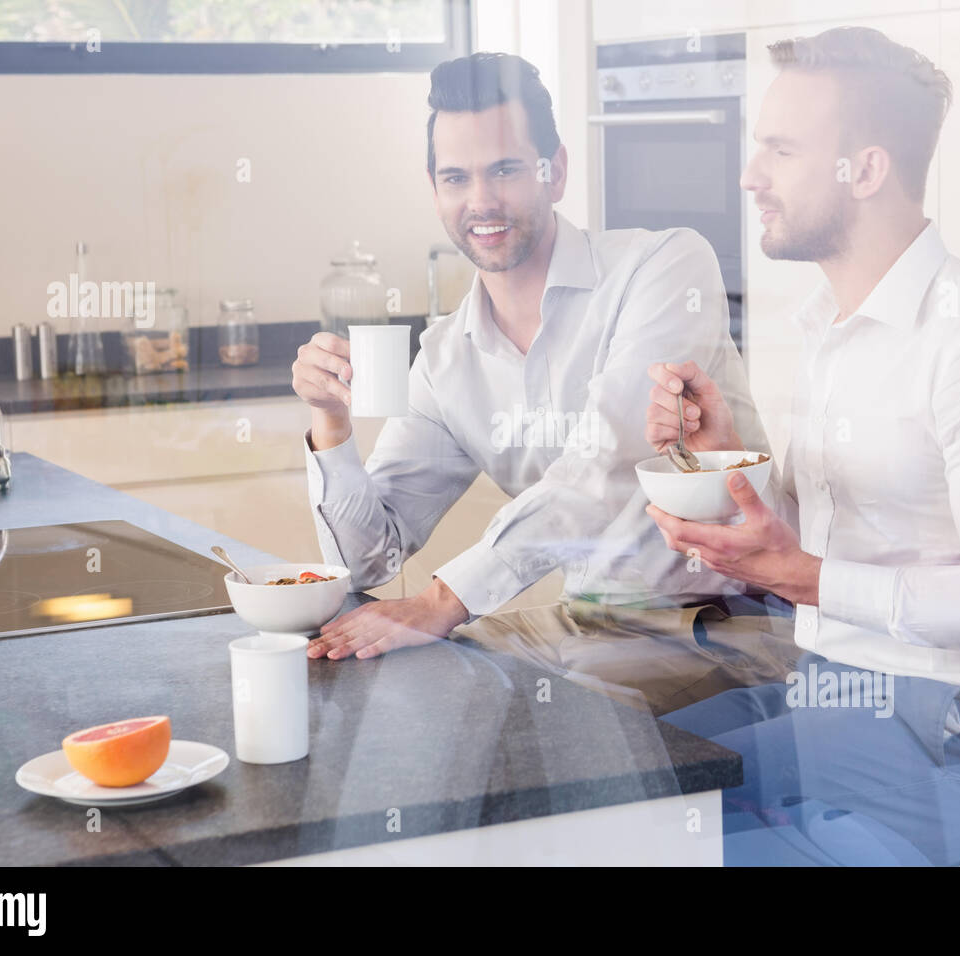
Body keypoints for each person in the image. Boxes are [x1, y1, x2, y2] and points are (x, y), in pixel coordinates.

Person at [646, 26, 960, 864]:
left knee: (676, 841)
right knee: (621, 789)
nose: (751, 177)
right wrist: (728, 462)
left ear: (867, 169)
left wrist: (806, 577)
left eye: (780, 150)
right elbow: (824, 547)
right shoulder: (830, 329)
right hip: (835, 689)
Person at [291, 53, 797, 715]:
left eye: (504, 169)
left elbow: (606, 462)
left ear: (554, 171)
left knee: (530, 725)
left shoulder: (663, 266)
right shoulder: (447, 359)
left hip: (726, 624)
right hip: (585, 625)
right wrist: (330, 427)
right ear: (435, 188)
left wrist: (443, 601)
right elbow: (369, 563)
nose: (481, 201)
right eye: (456, 177)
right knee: (395, 692)